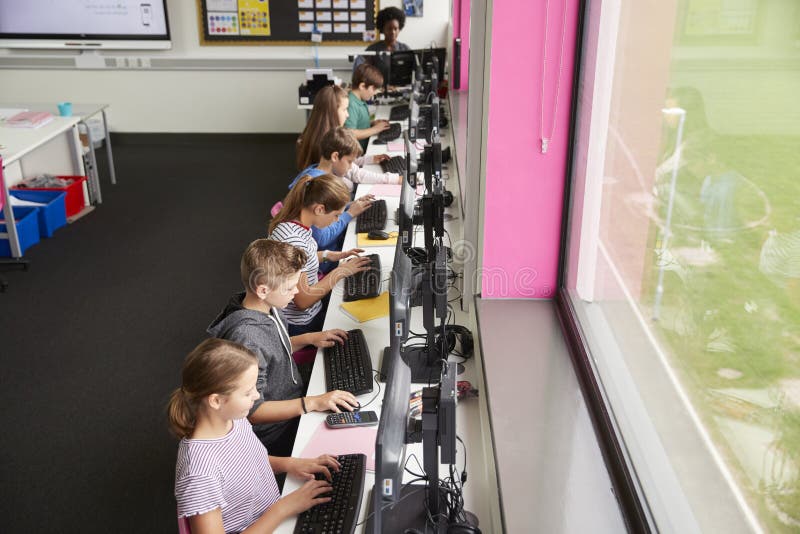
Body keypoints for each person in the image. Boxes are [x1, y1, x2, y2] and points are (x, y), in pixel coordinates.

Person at [207, 239, 360, 459]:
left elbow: (273, 347)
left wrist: (309, 338)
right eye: (290, 287)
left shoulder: (265, 306)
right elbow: (253, 411)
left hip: (293, 397)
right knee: (346, 442)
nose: (296, 291)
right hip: (276, 431)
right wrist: (313, 402)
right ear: (262, 289)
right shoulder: (247, 339)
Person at [169, 338, 338, 533]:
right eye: (248, 392)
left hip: (271, 514)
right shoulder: (199, 474)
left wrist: (290, 464)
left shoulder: (233, 419)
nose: (257, 396)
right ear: (216, 400)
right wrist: (283, 509)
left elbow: (248, 461)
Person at [268, 174, 372, 336]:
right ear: (320, 209)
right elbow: (303, 301)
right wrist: (340, 271)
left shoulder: (293, 224)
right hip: (302, 321)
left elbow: (299, 262)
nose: (337, 220)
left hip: (305, 309)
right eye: (336, 215)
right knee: (358, 323)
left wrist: (330, 255)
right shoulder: (295, 241)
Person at [290, 127, 376, 271]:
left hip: (328, 253)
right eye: (349, 162)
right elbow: (322, 239)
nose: (350, 168)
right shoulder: (320, 186)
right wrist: (349, 214)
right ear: (335, 156)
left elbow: (327, 212)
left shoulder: (314, 172)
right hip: (325, 261)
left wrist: (350, 205)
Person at [296, 85, 400, 187]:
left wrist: (370, 159)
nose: (347, 114)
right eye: (344, 109)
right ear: (332, 112)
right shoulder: (330, 140)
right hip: (336, 196)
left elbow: (345, 161)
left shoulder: (313, 134)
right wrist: (395, 179)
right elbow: (355, 173)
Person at [345, 63, 390, 151]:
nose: (375, 92)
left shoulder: (360, 100)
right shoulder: (351, 104)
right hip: (357, 154)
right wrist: (375, 129)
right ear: (362, 86)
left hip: (365, 148)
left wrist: (372, 123)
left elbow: (359, 123)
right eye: (374, 89)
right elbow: (349, 134)